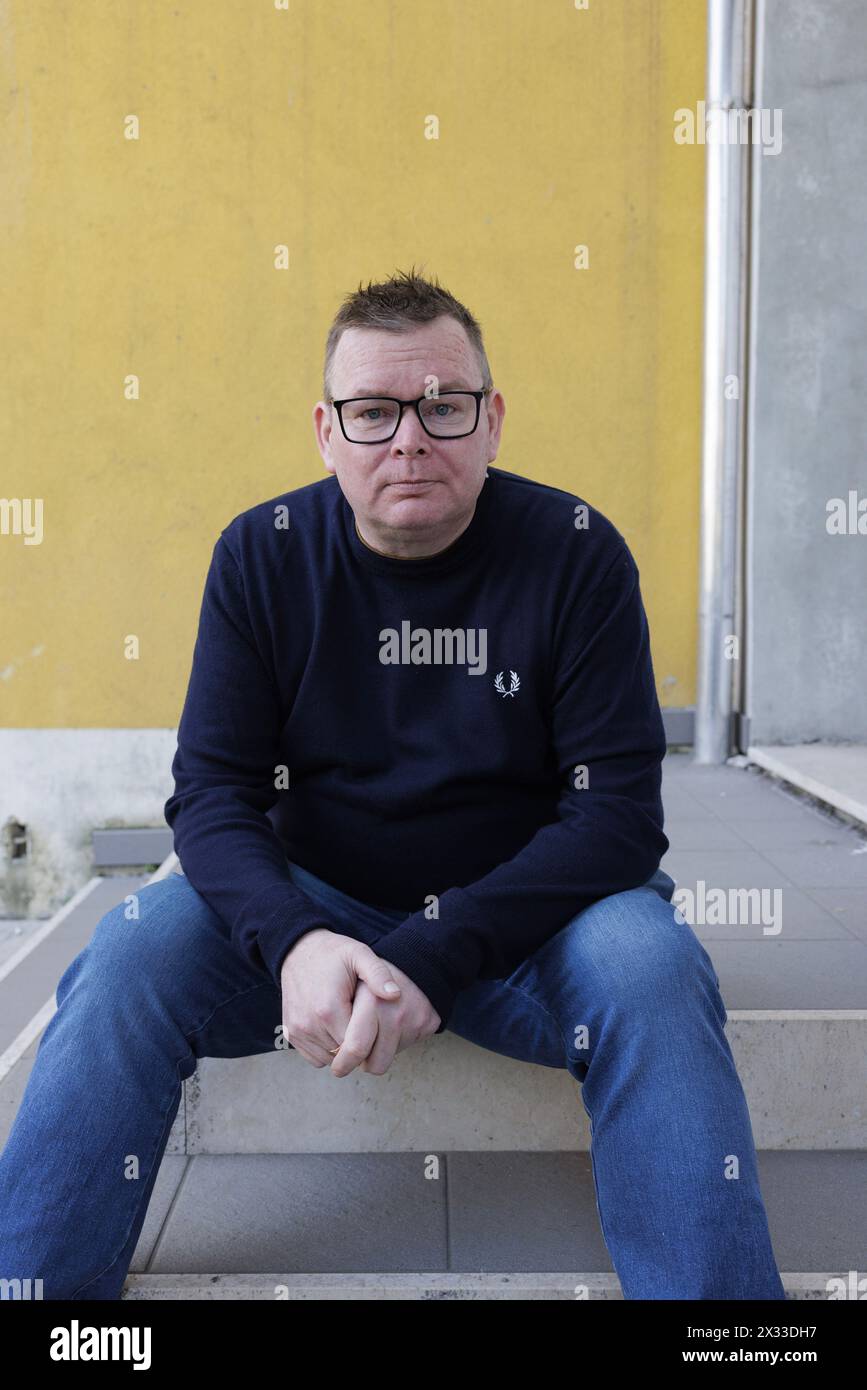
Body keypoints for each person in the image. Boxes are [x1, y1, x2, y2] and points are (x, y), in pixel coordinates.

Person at [0, 268, 786, 1300]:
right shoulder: (260, 557)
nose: (409, 439)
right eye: (373, 412)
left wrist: (435, 949)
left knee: (651, 970)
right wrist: (293, 937)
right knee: (132, 951)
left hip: (532, 922)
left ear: (492, 419)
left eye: (442, 406)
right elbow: (213, 795)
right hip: (313, 902)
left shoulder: (578, 556)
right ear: (326, 431)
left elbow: (617, 821)